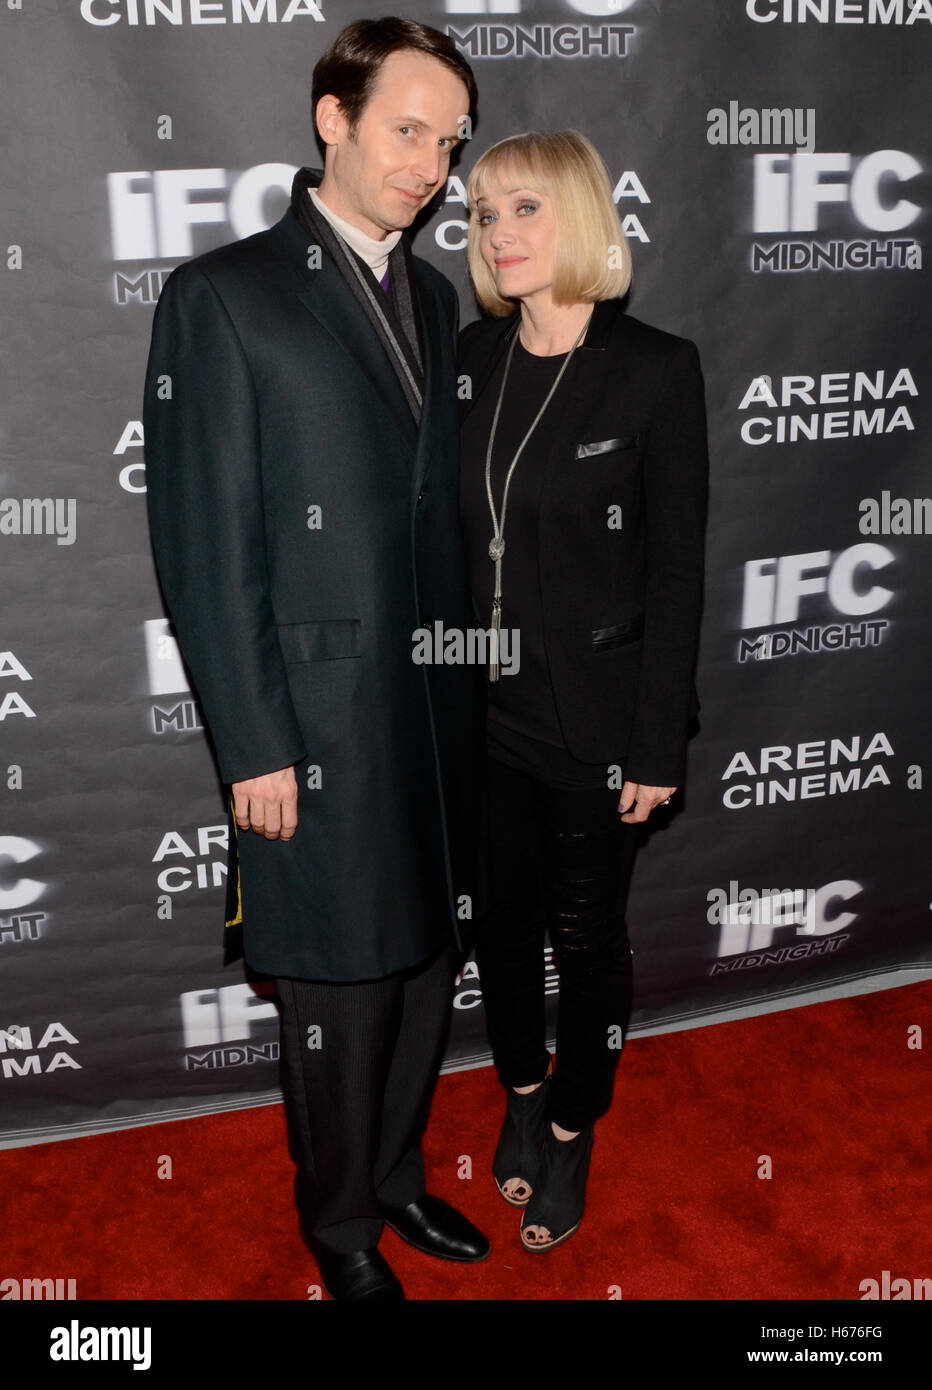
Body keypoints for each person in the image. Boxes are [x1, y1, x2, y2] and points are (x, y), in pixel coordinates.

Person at [143, 18, 488, 1301]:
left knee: (419, 967)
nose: (431, 166)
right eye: (408, 129)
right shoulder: (223, 297)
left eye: (449, 142)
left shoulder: (437, 295)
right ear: (329, 120)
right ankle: (339, 1222)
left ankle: (397, 1177)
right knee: (339, 983)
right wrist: (256, 743)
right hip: (315, 722)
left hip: (434, 711)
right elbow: (202, 543)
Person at [458, 130, 709, 1252]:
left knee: (585, 935)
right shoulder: (467, 363)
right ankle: (517, 1090)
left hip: (599, 726)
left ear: (578, 218)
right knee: (499, 930)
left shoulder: (654, 368)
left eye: (522, 210)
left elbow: (675, 572)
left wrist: (656, 745)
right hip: (479, 715)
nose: (497, 235)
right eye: (479, 216)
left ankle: (571, 1123)